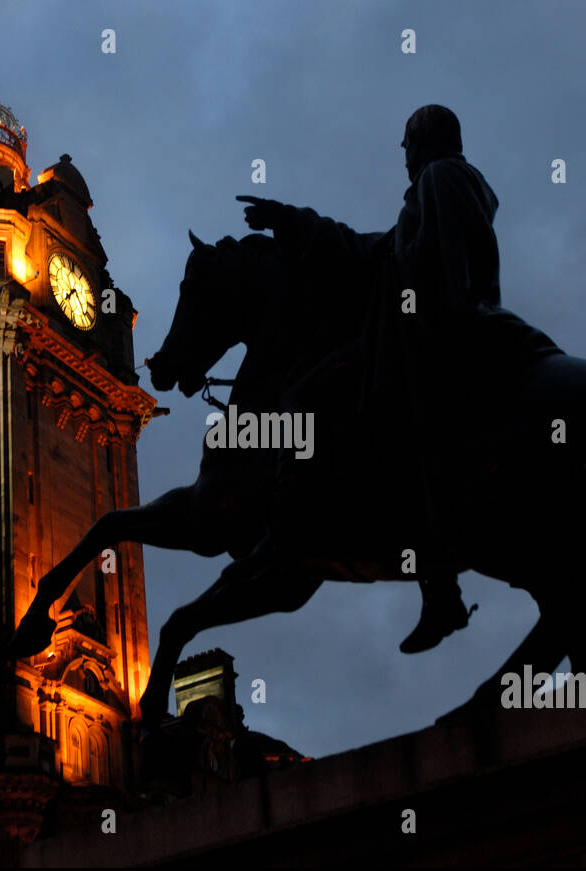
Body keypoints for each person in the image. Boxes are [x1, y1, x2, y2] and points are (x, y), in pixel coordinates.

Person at [240, 105, 561, 653]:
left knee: (361, 415)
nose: (404, 156)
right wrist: (291, 219)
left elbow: (441, 266)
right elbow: (373, 249)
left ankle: (424, 579)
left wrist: (448, 322)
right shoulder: (433, 192)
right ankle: (436, 585)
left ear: (426, 141)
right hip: (424, 333)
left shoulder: (443, 179)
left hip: (433, 339)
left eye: (407, 143)